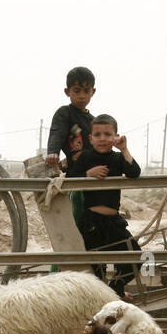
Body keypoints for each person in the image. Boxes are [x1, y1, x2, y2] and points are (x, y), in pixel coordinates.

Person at [66, 114, 142, 298]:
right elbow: (69, 181)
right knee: (96, 267)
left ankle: (116, 287)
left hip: (113, 221)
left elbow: (134, 172)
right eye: (97, 135)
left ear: (115, 136)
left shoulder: (117, 159)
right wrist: (87, 174)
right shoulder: (85, 158)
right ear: (90, 138)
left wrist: (124, 149)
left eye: (108, 134)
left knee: (135, 257)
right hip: (91, 222)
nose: (102, 139)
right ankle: (101, 299)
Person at [45, 66, 96, 228]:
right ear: (67, 92)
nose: (82, 95)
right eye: (77, 91)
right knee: (78, 207)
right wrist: (53, 152)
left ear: (93, 92)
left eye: (86, 91)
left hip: (96, 174)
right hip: (77, 174)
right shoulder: (65, 113)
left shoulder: (94, 121)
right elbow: (57, 132)